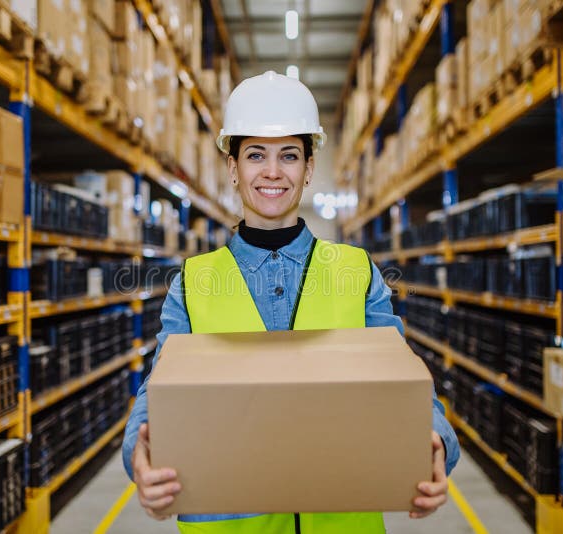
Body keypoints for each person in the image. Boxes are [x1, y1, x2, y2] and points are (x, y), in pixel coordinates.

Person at [122, 70, 460, 533]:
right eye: (255, 155)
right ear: (233, 169)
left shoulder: (356, 271)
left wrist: (435, 441)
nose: (273, 172)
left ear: (308, 169)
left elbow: (403, 380)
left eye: (289, 156)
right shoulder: (194, 282)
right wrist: (138, 454)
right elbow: (159, 390)